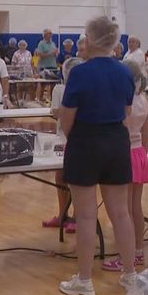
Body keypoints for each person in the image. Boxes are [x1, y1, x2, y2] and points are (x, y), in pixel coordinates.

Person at [57, 16, 137, 295]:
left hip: (86, 142)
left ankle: (85, 280)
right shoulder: (126, 72)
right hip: (117, 141)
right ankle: (130, 275)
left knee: (87, 215)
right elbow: (127, 113)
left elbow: (67, 119)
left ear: (90, 39)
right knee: (121, 213)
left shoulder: (80, 73)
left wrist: (74, 138)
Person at [101, 59, 148, 273]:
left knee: (124, 210)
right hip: (140, 152)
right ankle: (138, 251)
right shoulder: (143, 99)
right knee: (136, 207)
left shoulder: (124, 102)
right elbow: (146, 133)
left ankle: (125, 257)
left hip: (125, 152)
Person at [44, 56, 83, 233]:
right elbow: (55, 113)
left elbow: (59, 112)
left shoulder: (83, 88)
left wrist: (64, 112)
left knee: (79, 179)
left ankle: (77, 216)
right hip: (63, 137)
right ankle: (63, 214)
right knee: (61, 177)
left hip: (79, 138)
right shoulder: (59, 88)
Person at [35, 29, 59, 102]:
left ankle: (52, 100)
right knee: (42, 84)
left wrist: (56, 54)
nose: (51, 35)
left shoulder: (53, 43)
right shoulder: (41, 44)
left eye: (51, 33)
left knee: (53, 85)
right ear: (45, 35)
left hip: (53, 66)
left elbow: (55, 54)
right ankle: (39, 99)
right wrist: (51, 53)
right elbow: (40, 55)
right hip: (44, 66)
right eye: (49, 33)